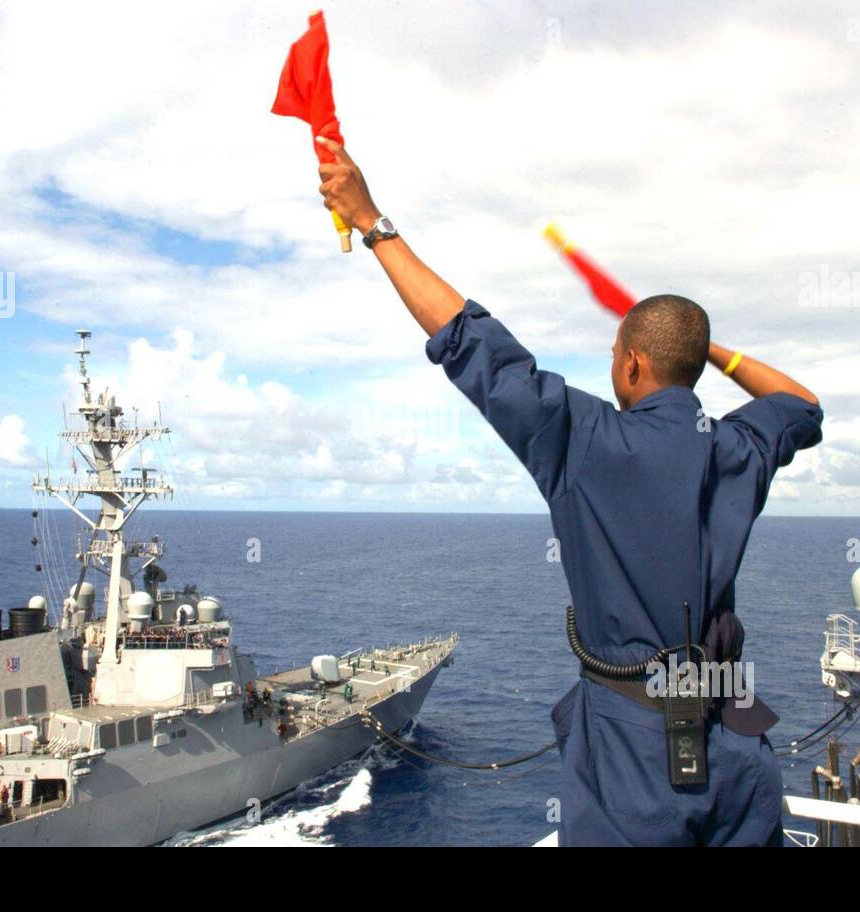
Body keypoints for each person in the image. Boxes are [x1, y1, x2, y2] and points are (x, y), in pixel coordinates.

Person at [316, 140, 823, 846]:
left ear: (633, 364)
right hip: (735, 747)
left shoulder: (584, 441)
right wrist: (712, 351)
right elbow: (802, 405)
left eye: (618, 353)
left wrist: (372, 222)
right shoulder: (738, 448)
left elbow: (467, 340)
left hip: (631, 758)